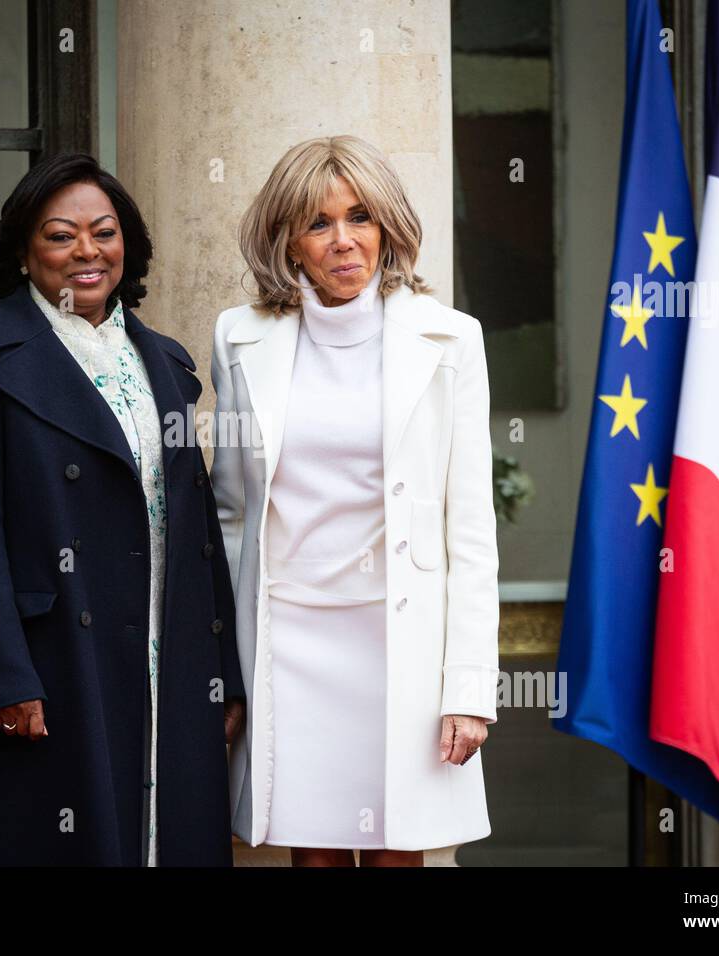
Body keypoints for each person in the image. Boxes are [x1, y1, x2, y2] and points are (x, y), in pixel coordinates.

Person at [0, 153, 245, 865]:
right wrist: (2, 678)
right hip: (53, 659)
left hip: (169, 648)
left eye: (105, 231)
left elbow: (200, 528)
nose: (87, 252)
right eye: (61, 235)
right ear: (24, 253)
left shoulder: (165, 362)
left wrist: (226, 671)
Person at [212, 135, 500, 866]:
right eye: (318, 223)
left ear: (387, 227)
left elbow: (469, 524)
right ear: (288, 240)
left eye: (360, 217)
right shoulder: (240, 338)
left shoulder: (451, 340)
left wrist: (467, 686)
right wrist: (221, 665)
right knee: (313, 857)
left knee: (399, 851)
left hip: (400, 641)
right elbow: (231, 514)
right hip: (290, 643)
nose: (343, 241)